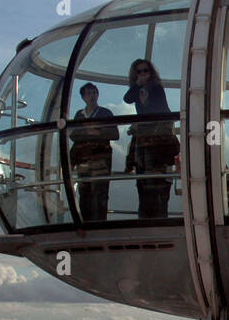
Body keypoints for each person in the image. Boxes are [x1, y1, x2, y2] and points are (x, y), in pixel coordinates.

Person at [122, 60, 177, 219]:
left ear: (151, 72)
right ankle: (145, 220)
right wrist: (137, 85)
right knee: (144, 185)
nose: (143, 74)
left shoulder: (156, 88)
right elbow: (127, 99)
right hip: (145, 143)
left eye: (146, 71)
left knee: (158, 187)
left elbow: (160, 110)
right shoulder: (137, 91)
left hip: (158, 144)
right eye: (139, 72)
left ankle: (159, 220)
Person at [68, 82, 119, 221]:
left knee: (100, 193)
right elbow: (74, 135)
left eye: (94, 93)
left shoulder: (105, 113)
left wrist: (93, 132)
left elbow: (114, 134)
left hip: (100, 160)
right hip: (83, 160)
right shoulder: (80, 114)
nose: (92, 96)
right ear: (83, 97)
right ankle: (86, 223)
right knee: (84, 193)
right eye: (89, 93)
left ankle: (99, 223)